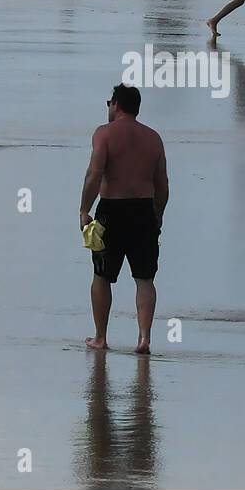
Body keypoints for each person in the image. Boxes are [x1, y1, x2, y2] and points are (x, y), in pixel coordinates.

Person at [79, 85, 168, 354]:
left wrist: (84, 209)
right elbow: (162, 183)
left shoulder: (103, 134)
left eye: (109, 102)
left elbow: (95, 174)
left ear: (116, 105)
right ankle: (144, 338)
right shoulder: (153, 138)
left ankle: (101, 337)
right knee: (145, 278)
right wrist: (158, 215)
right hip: (143, 211)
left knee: (101, 275)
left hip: (111, 212)